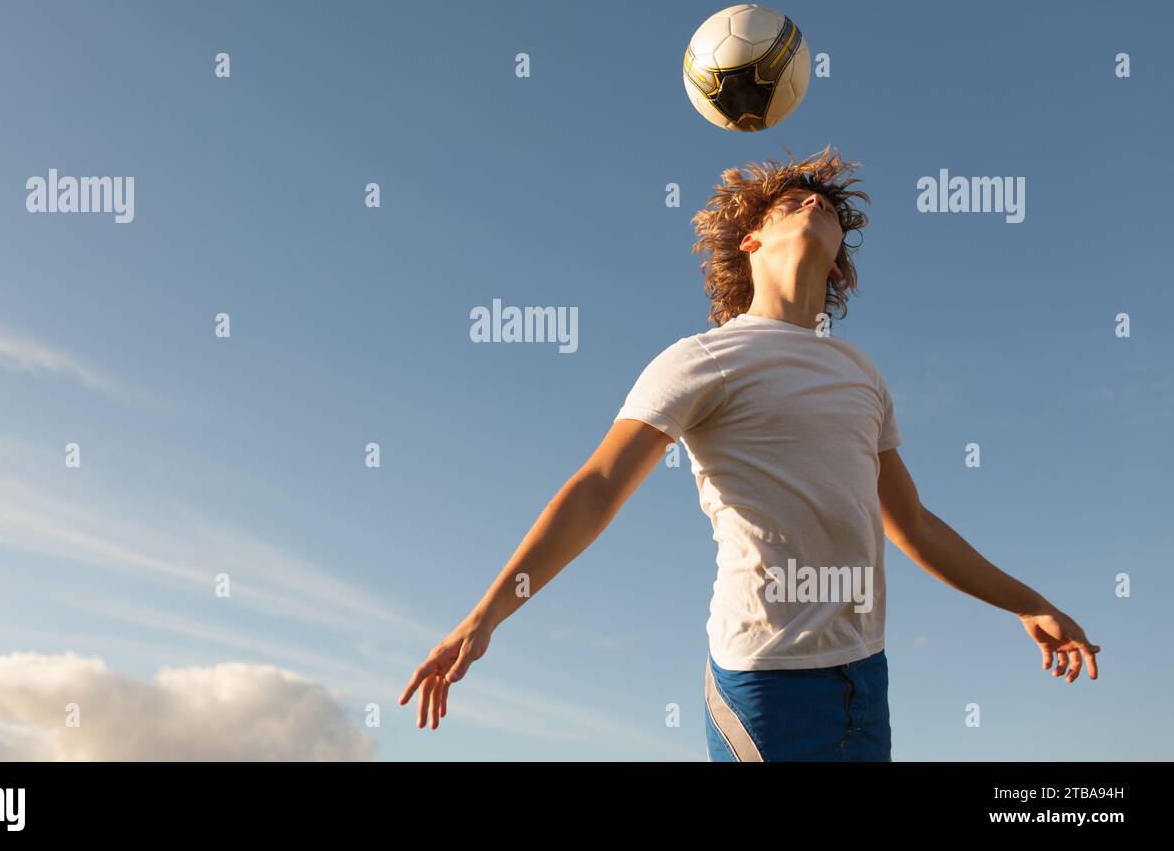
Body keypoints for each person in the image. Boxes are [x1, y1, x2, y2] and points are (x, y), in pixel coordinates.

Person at [398, 145, 1100, 759]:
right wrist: (486, 614)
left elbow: (911, 525)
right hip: (766, 678)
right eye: (791, 201)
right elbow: (598, 487)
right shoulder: (703, 358)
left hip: (865, 673)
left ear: (841, 261)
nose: (812, 204)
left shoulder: (861, 373)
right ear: (751, 242)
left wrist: (1025, 602)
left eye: (824, 201)